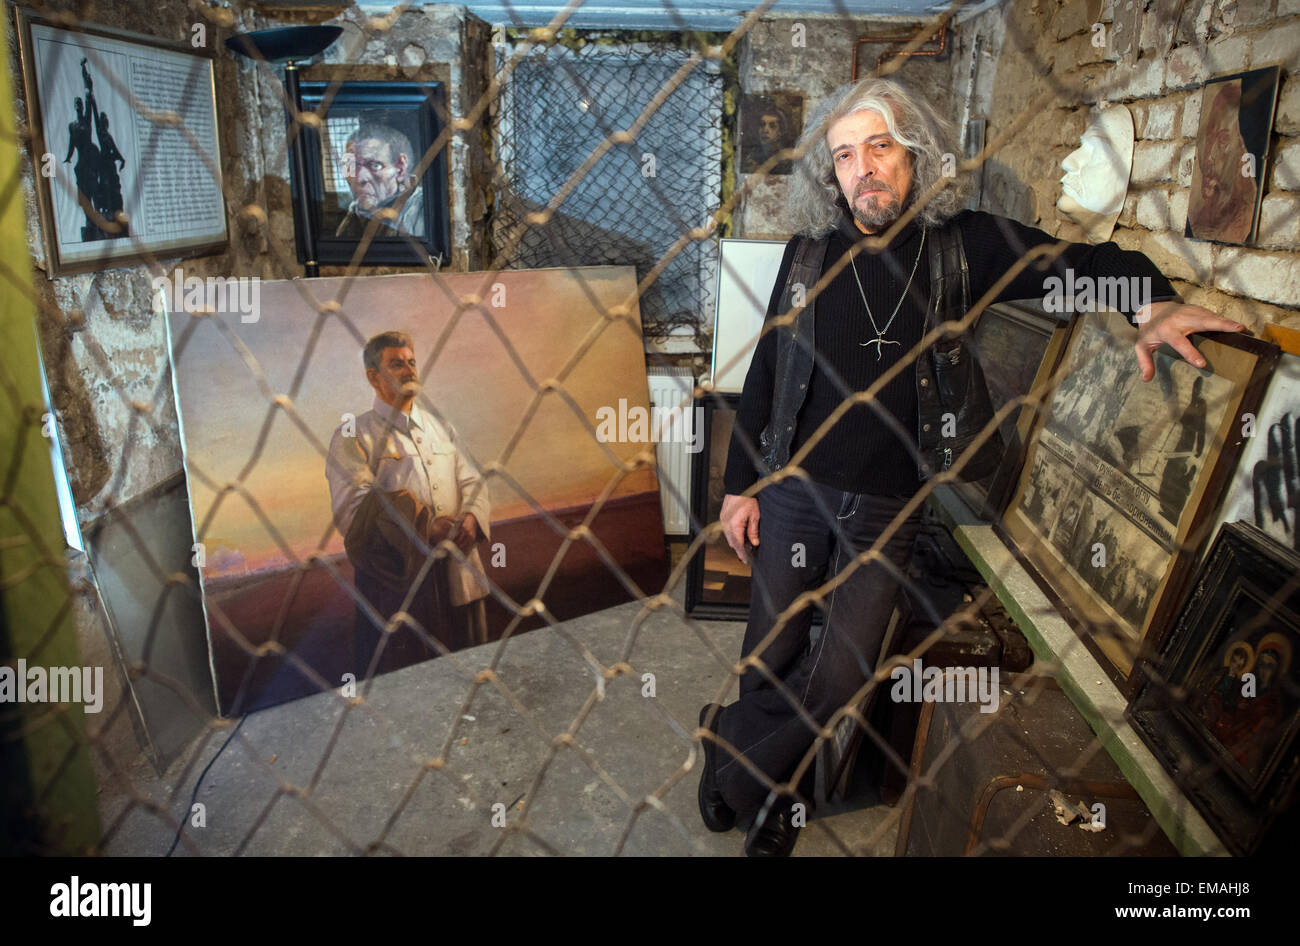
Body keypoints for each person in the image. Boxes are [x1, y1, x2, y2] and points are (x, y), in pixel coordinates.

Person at [696, 76, 1247, 857]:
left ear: (914, 153)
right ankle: (770, 804)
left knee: (841, 675)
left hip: (889, 506)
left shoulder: (968, 245)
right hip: (794, 491)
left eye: (879, 147)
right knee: (773, 650)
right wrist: (739, 487)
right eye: (845, 155)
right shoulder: (808, 252)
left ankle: (731, 757)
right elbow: (767, 373)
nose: (864, 169)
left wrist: (1150, 303)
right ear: (831, 173)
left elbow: (1084, 263)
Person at [325, 331, 491, 676]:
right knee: (412, 682)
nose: (409, 371)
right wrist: (426, 527)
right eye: (396, 364)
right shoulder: (352, 435)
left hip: (461, 574)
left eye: (411, 362)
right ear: (373, 377)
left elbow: (472, 479)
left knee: (471, 675)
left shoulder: (440, 426)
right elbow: (353, 513)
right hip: (398, 585)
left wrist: (473, 518)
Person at [334, 124, 425, 239]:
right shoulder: (356, 208)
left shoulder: (420, 209)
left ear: (400, 168)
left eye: (375, 165)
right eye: (352, 165)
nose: (359, 178)